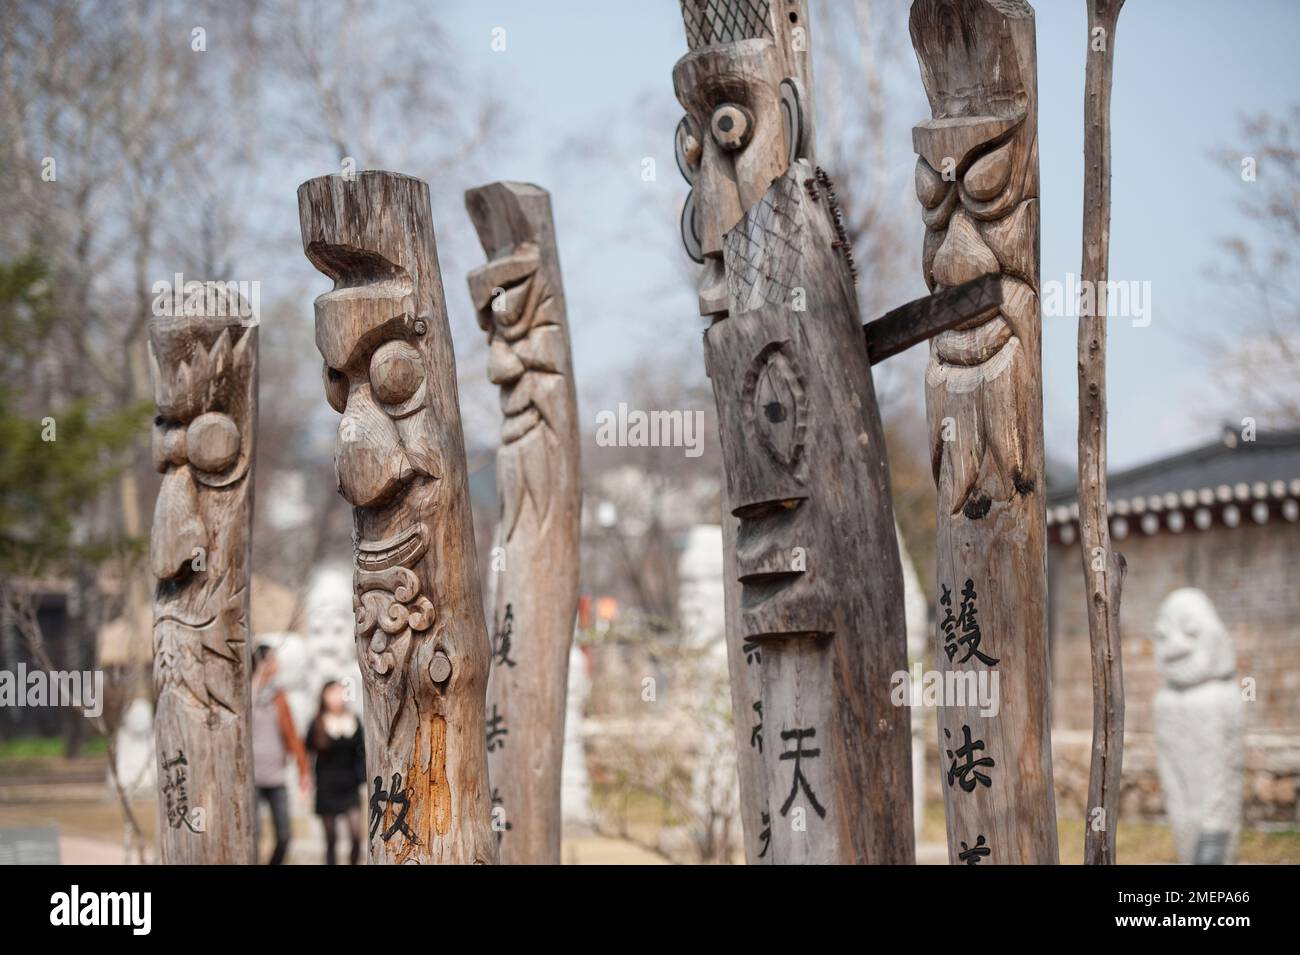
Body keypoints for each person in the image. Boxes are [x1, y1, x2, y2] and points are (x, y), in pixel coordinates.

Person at [251, 645, 309, 865]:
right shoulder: (248, 694)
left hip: (276, 776)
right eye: (272, 660)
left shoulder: (279, 696)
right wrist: (257, 677)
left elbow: (292, 734)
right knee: (253, 836)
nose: (277, 665)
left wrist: (303, 770)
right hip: (252, 778)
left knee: (284, 836)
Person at [304, 680, 366, 865]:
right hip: (326, 785)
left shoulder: (353, 720)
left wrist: (363, 776)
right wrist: (306, 780)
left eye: (340, 693)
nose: (336, 697)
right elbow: (308, 751)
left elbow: (362, 751)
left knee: (356, 836)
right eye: (332, 693)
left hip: (349, 784)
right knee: (331, 839)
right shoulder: (318, 722)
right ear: (324, 697)